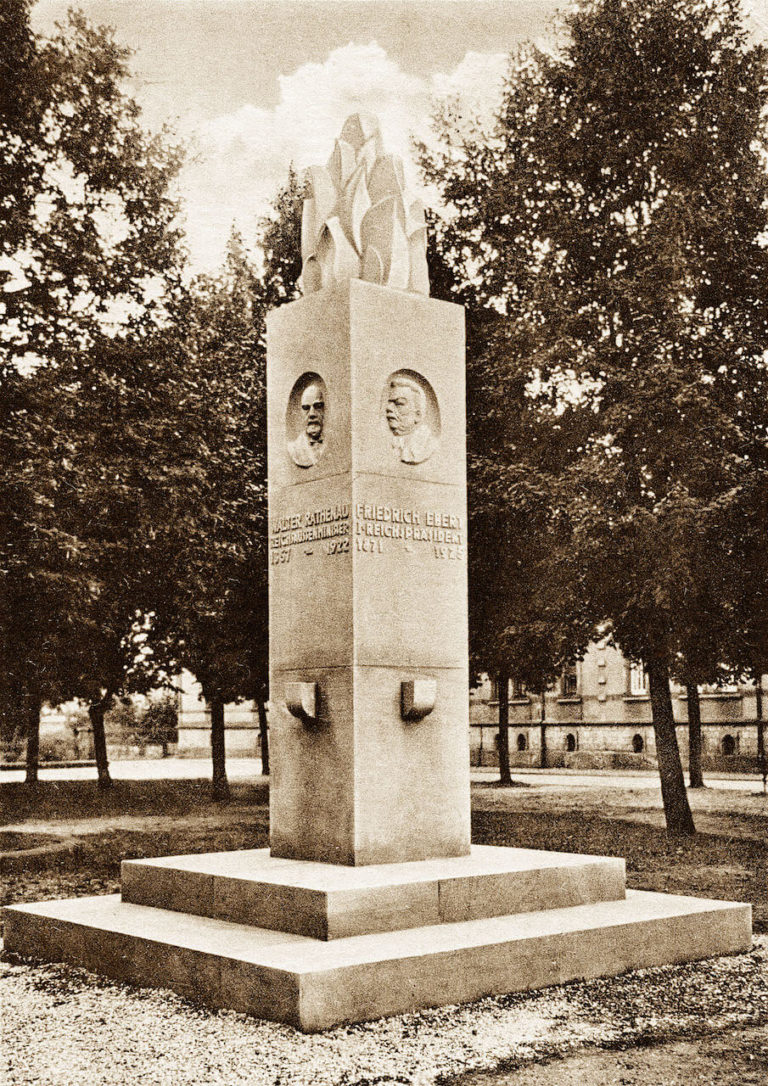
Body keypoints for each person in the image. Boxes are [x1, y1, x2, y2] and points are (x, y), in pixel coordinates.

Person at [385, 376, 436, 464]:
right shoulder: (389, 442)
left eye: (399, 403)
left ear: (418, 415)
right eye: (389, 403)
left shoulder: (428, 444)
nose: (389, 408)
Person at [288, 382, 325, 467]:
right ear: (300, 412)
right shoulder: (293, 448)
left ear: (324, 409)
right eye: (306, 408)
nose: (312, 414)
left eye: (318, 406)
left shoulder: (331, 444)